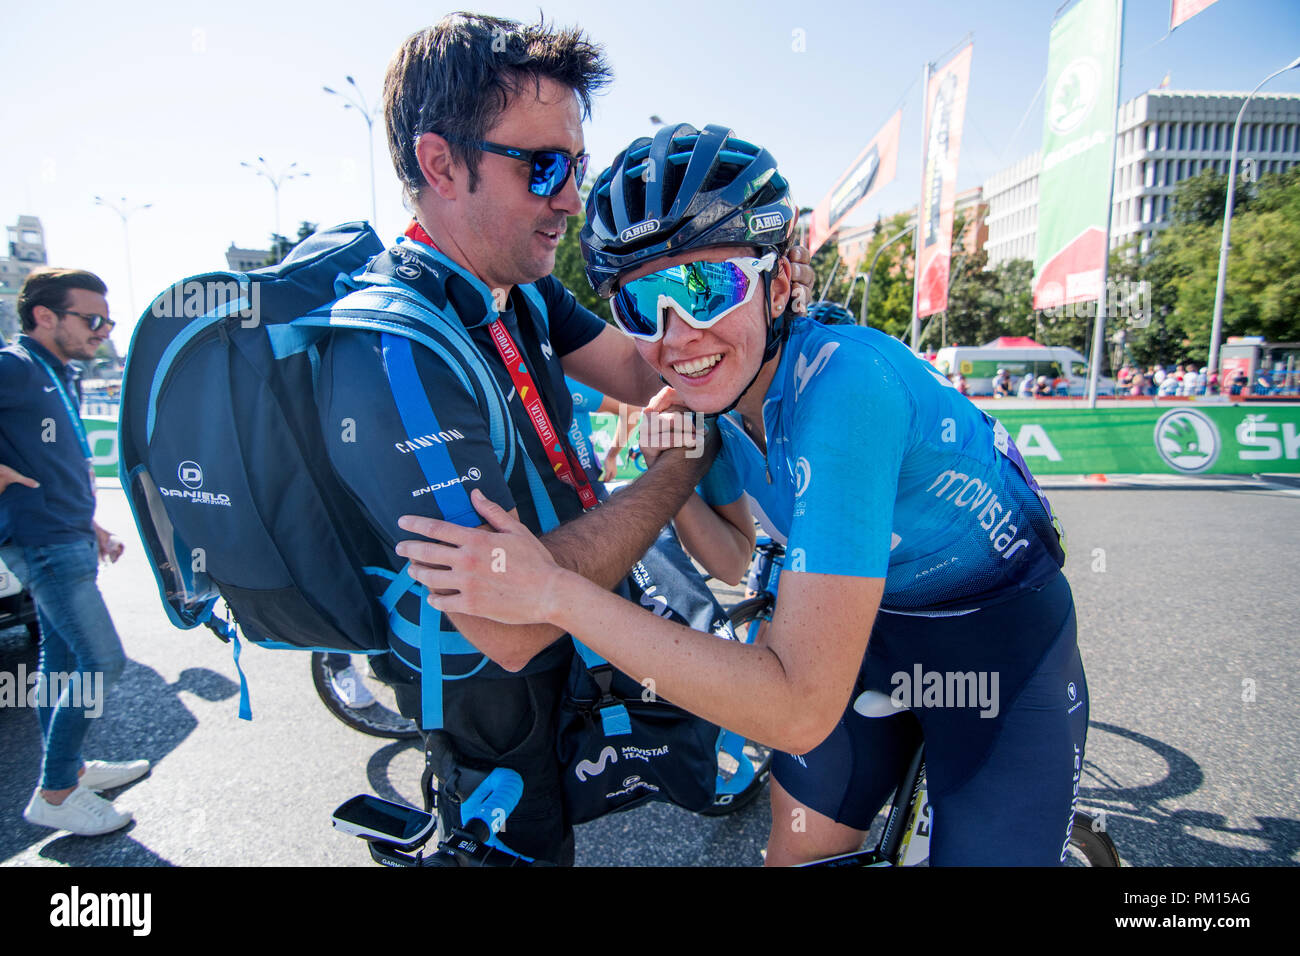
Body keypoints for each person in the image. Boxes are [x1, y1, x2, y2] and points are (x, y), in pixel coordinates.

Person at [399, 124, 1087, 867]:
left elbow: (794, 708)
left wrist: (554, 593)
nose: (678, 336)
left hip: (994, 650)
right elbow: (732, 559)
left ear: (779, 283)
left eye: (707, 287)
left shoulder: (847, 387)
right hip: (865, 639)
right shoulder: (718, 401)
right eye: (642, 304)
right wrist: (675, 472)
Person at [323, 15, 814, 864]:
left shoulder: (516, 285)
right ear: (441, 164)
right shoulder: (394, 347)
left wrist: (749, 314)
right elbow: (506, 626)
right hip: (492, 697)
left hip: (565, 641)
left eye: (577, 167)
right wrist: (676, 470)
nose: (572, 199)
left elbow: (645, 367)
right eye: (544, 167)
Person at [0, 268, 149, 837]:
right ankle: (57, 791)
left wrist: (94, 527)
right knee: (103, 662)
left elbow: (53, 464)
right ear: (44, 316)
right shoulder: (14, 366)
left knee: (58, 666)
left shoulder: (58, 373)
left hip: (69, 535)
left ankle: (71, 769)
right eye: (92, 319)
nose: (104, 332)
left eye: (107, 321)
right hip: (42, 543)